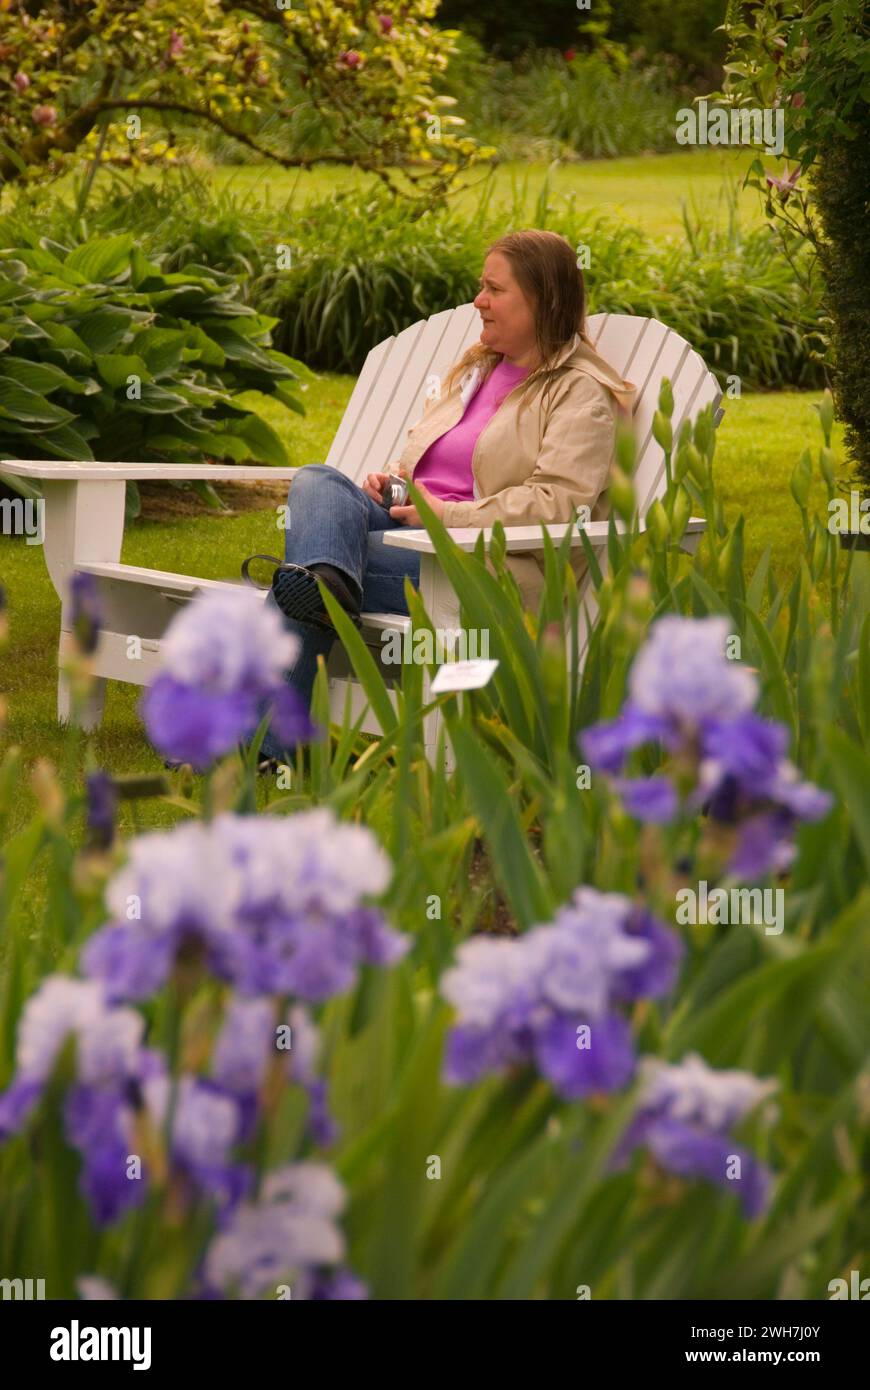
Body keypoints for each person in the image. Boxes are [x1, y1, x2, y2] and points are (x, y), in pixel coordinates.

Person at [248, 228, 636, 765]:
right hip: (408, 532)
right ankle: (324, 583)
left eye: (494, 290)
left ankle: (264, 735)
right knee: (317, 480)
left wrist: (444, 515)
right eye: (481, 287)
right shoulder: (477, 372)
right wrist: (394, 482)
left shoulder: (579, 392)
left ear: (544, 300)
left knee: (301, 581)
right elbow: (428, 466)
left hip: (484, 564)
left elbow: (558, 504)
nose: (478, 301)